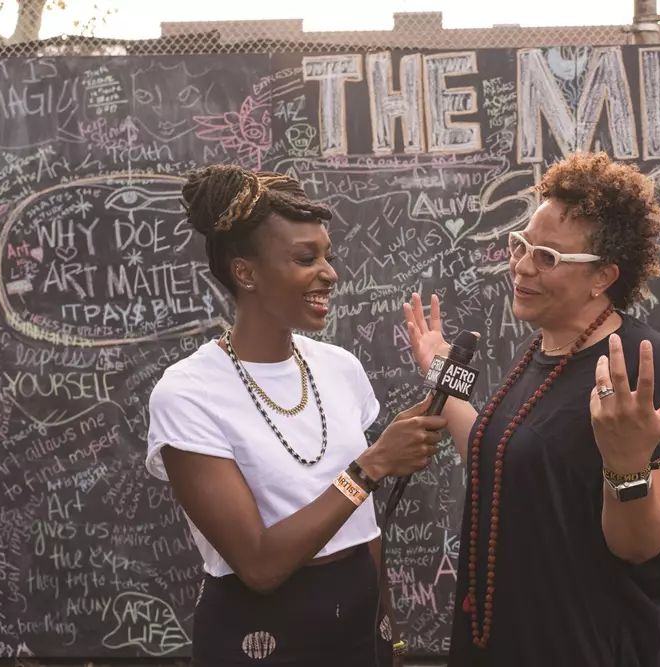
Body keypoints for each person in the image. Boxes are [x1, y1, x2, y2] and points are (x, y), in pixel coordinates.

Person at [403, 152, 660, 666]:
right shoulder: (543, 354)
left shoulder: (638, 367)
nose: (522, 265)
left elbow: (641, 545)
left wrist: (627, 465)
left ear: (603, 276)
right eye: (521, 245)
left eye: (548, 257)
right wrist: (442, 372)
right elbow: (500, 457)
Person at [145, 164, 447, 667]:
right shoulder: (187, 393)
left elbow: (364, 531)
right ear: (246, 273)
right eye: (307, 258)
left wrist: (388, 634)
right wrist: (371, 466)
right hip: (259, 635)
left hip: (359, 619)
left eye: (328, 256)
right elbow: (259, 564)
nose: (329, 274)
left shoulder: (340, 368)